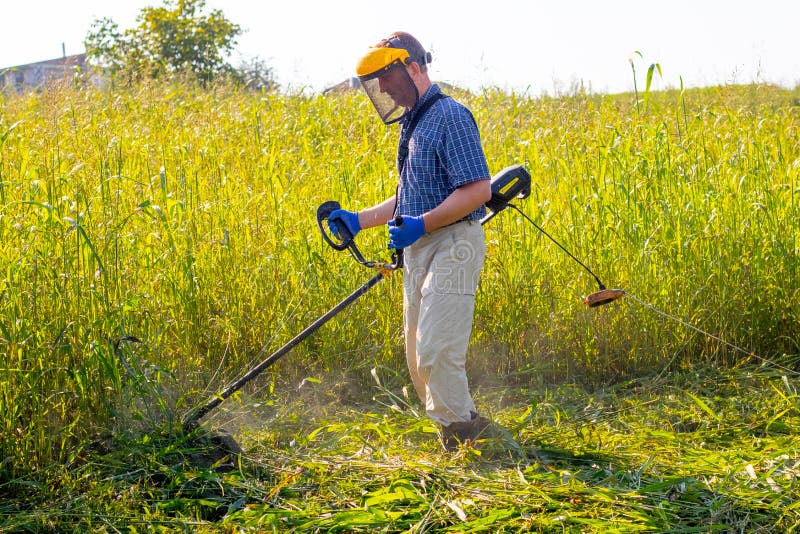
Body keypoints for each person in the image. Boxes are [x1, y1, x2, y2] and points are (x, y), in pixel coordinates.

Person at [328, 31, 492, 451]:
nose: (382, 88)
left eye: (386, 78)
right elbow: (409, 195)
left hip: (453, 242)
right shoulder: (414, 124)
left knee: (437, 347)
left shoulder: (450, 116)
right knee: (418, 356)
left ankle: (465, 439)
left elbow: (477, 192)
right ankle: (465, 426)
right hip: (421, 248)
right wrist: (357, 220)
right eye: (377, 82)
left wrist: (422, 224)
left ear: (413, 68)